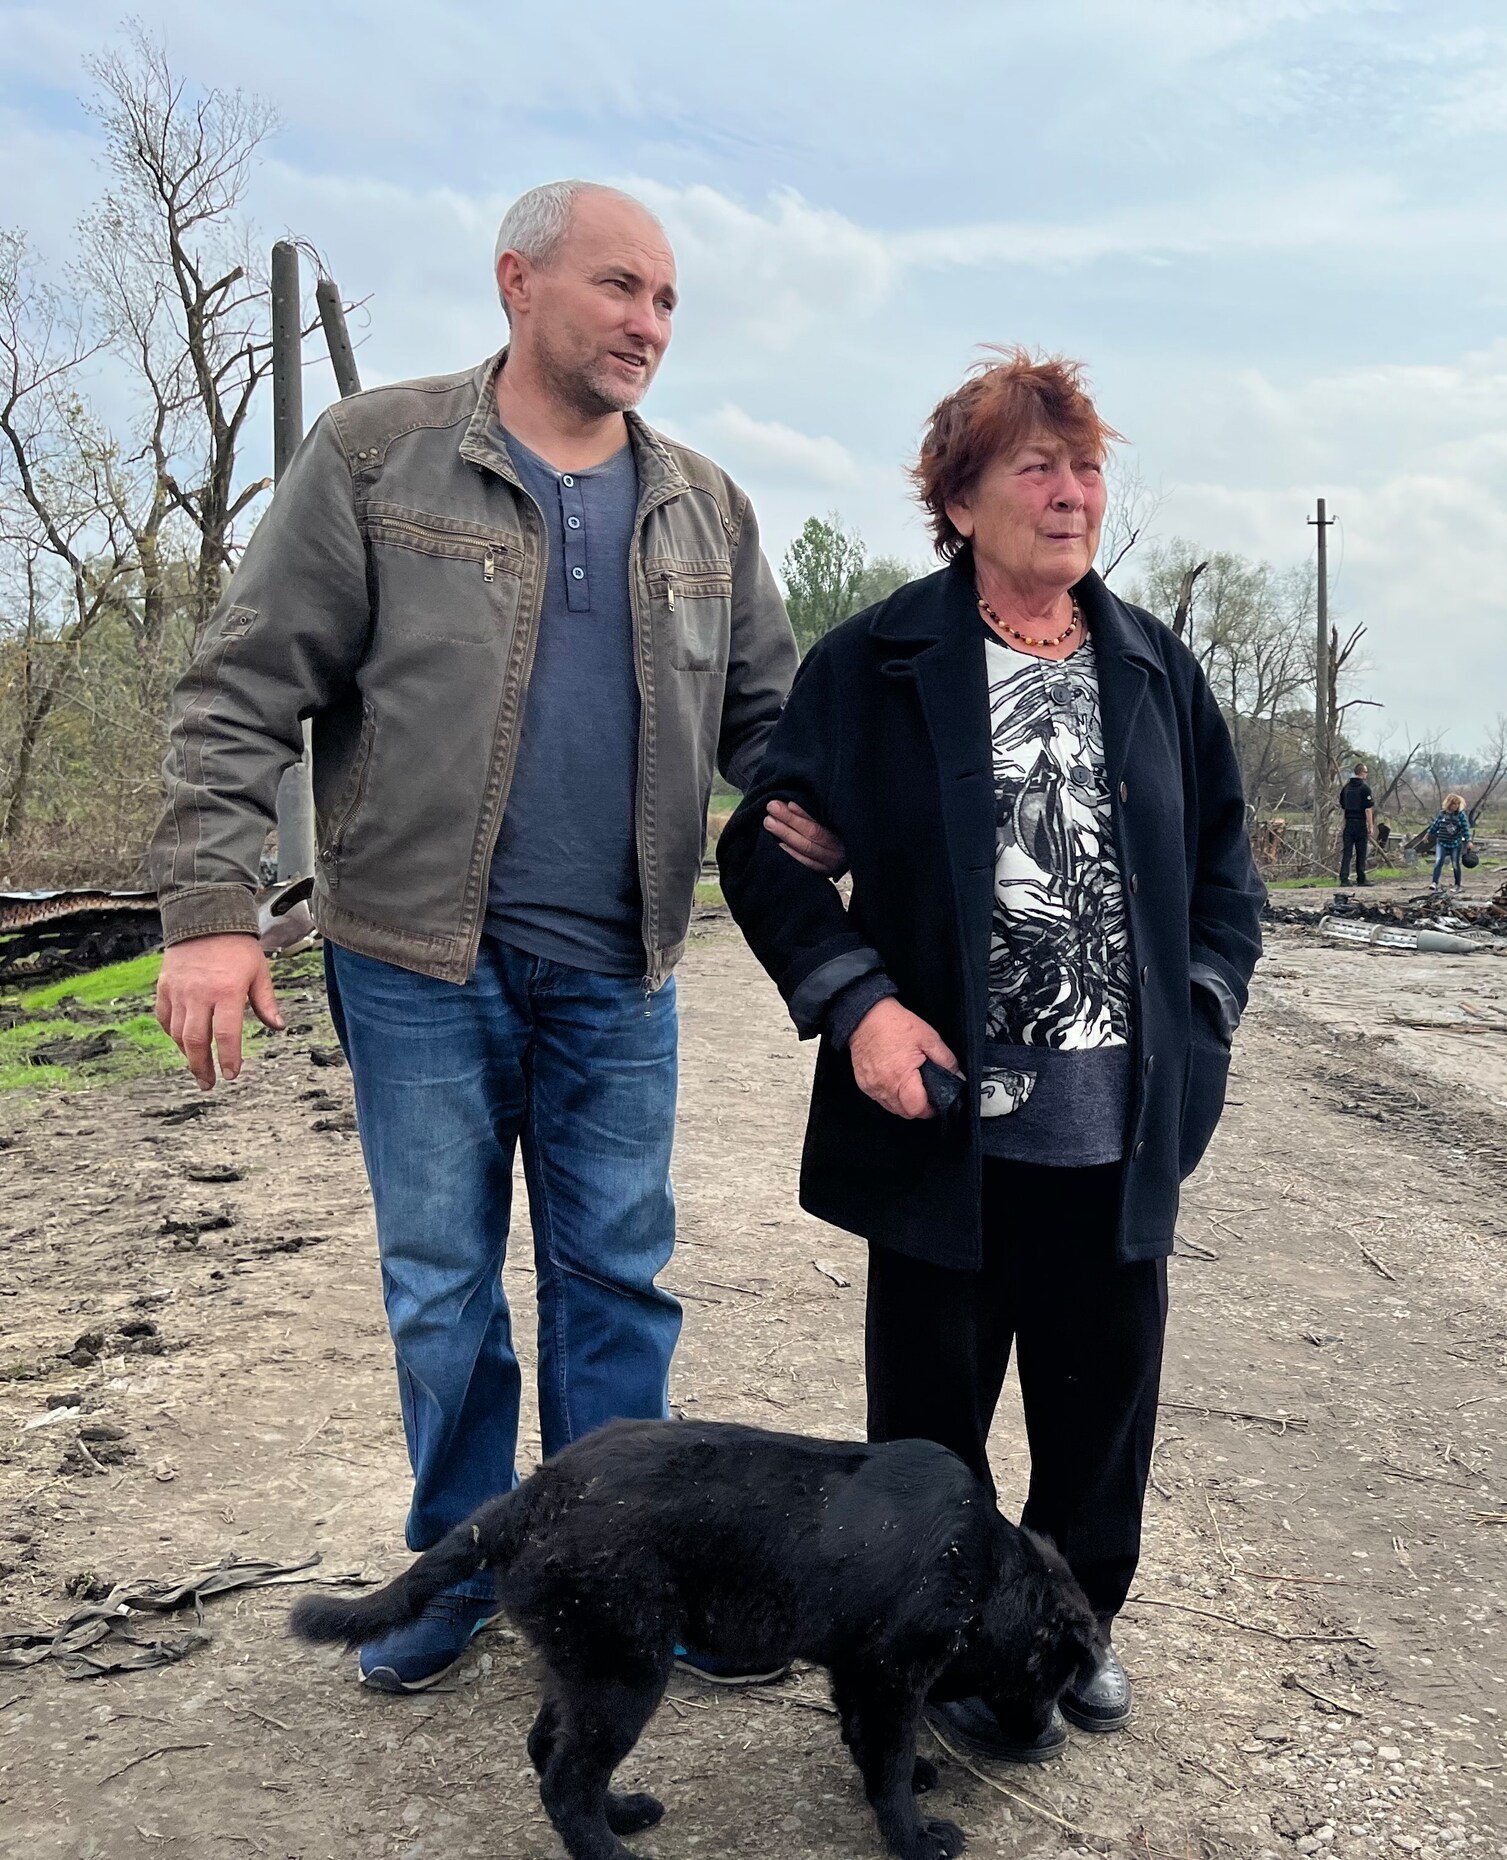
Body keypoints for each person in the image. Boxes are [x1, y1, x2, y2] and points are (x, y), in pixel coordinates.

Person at [147, 181, 803, 1693]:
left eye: (667, 303)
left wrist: (885, 842)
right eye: (620, 288)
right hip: (414, 959)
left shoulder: (705, 504)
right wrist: (208, 914)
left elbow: (776, 731)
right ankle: (462, 1561)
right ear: (518, 281)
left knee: (618, 1278)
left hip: (620, 964)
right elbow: (244, 689)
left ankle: (626, 1569)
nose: (648, 324)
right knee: (443, 1283)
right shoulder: (377, 460)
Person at [719, 349, 1263, 1763]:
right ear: (959, 501)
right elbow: (763, 859)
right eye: (1037, 467)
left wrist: (1199, 1017)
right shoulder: (877, 664)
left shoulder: (1153, 672)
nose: (1072, 492)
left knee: (1097, 1433)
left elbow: (1227, 880)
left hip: (1110, 1139)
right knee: (930, 1431)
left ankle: (1072, 1631)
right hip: (942, 1133)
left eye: (1086, 468)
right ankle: (945, 1636)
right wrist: (858, 1002)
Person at [1337, 764, 1375, 886]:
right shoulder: (1364, 789)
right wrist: (1371, 826)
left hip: (1348, 823)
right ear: (1362, 773)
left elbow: (1343, 806)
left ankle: (1344, 878)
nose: (1367, 774)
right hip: (1360, 823)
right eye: (1366, 772)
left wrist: (1344, 822)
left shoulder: (1346, 788)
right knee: (1361, 852)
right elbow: (1368, 809)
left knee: (1347, 852)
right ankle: (1361, 878)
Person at [1428, 793, 1473, 888]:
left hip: (1455, 843)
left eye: (1457, 804)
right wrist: (1427, 835)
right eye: (1453, 804)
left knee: (1455, 864)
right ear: (1449, 804)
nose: (1455, 806)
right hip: (1442, 842)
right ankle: (1434, 882)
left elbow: (1465, 828)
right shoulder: (1442, 814)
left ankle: (1457, 884)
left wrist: (1468, 840)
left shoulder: (1461, 815)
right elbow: (1435, 825)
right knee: (1439, 861)